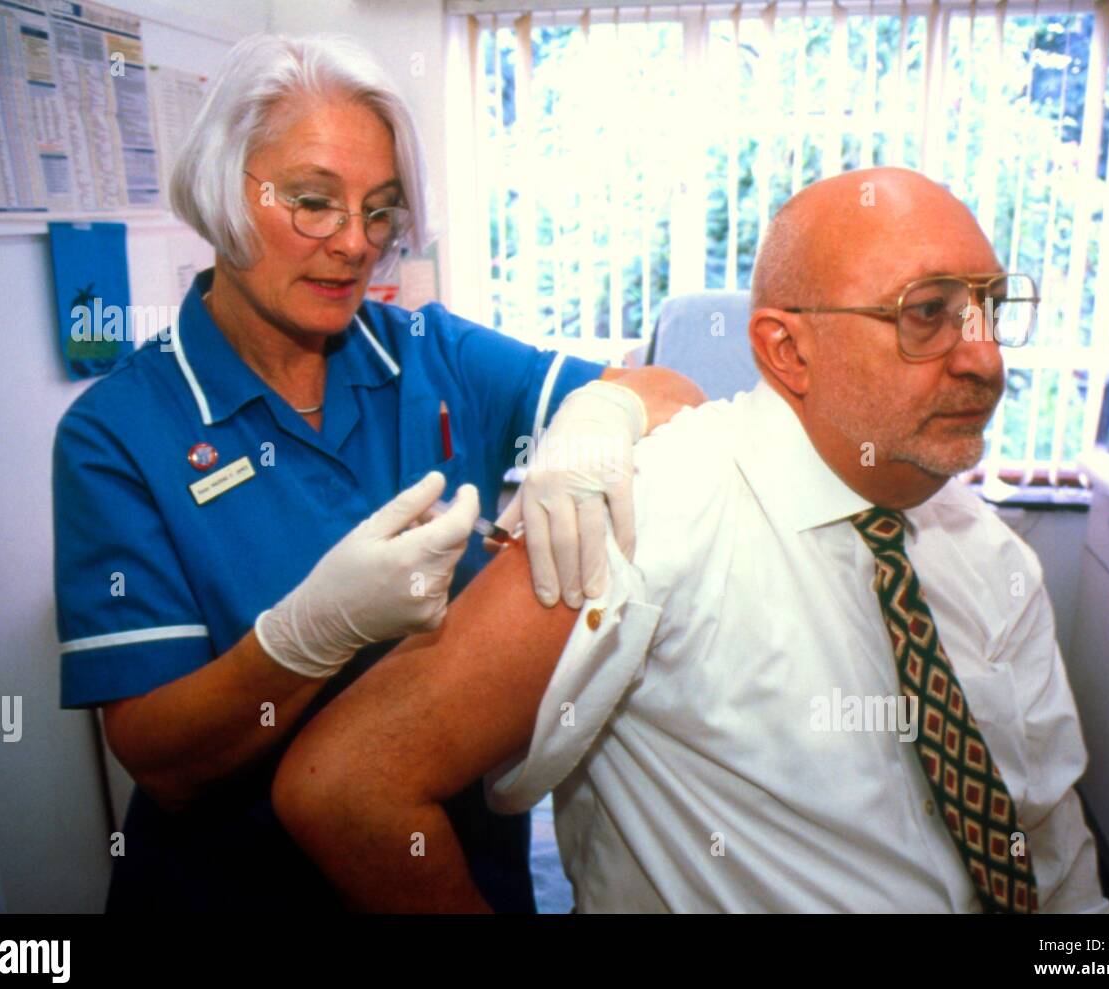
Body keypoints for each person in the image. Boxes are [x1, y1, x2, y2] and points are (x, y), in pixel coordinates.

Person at [271, 167, 1109, 914]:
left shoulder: (994, 557)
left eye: (990, 308)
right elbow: (346, 788)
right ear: (788, 350)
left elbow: (1051, 842)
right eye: (928, 313)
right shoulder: (648, 515)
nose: (986, 358)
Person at [51, 33, 702, 913]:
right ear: (219, 191)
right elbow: (160, 760)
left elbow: (673, 393)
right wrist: (306, 638)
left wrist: (603, 416)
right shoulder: (119, 432)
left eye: (381, 210)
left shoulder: (429, 353)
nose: (354, 244)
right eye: (315, 203)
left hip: (450, 868)